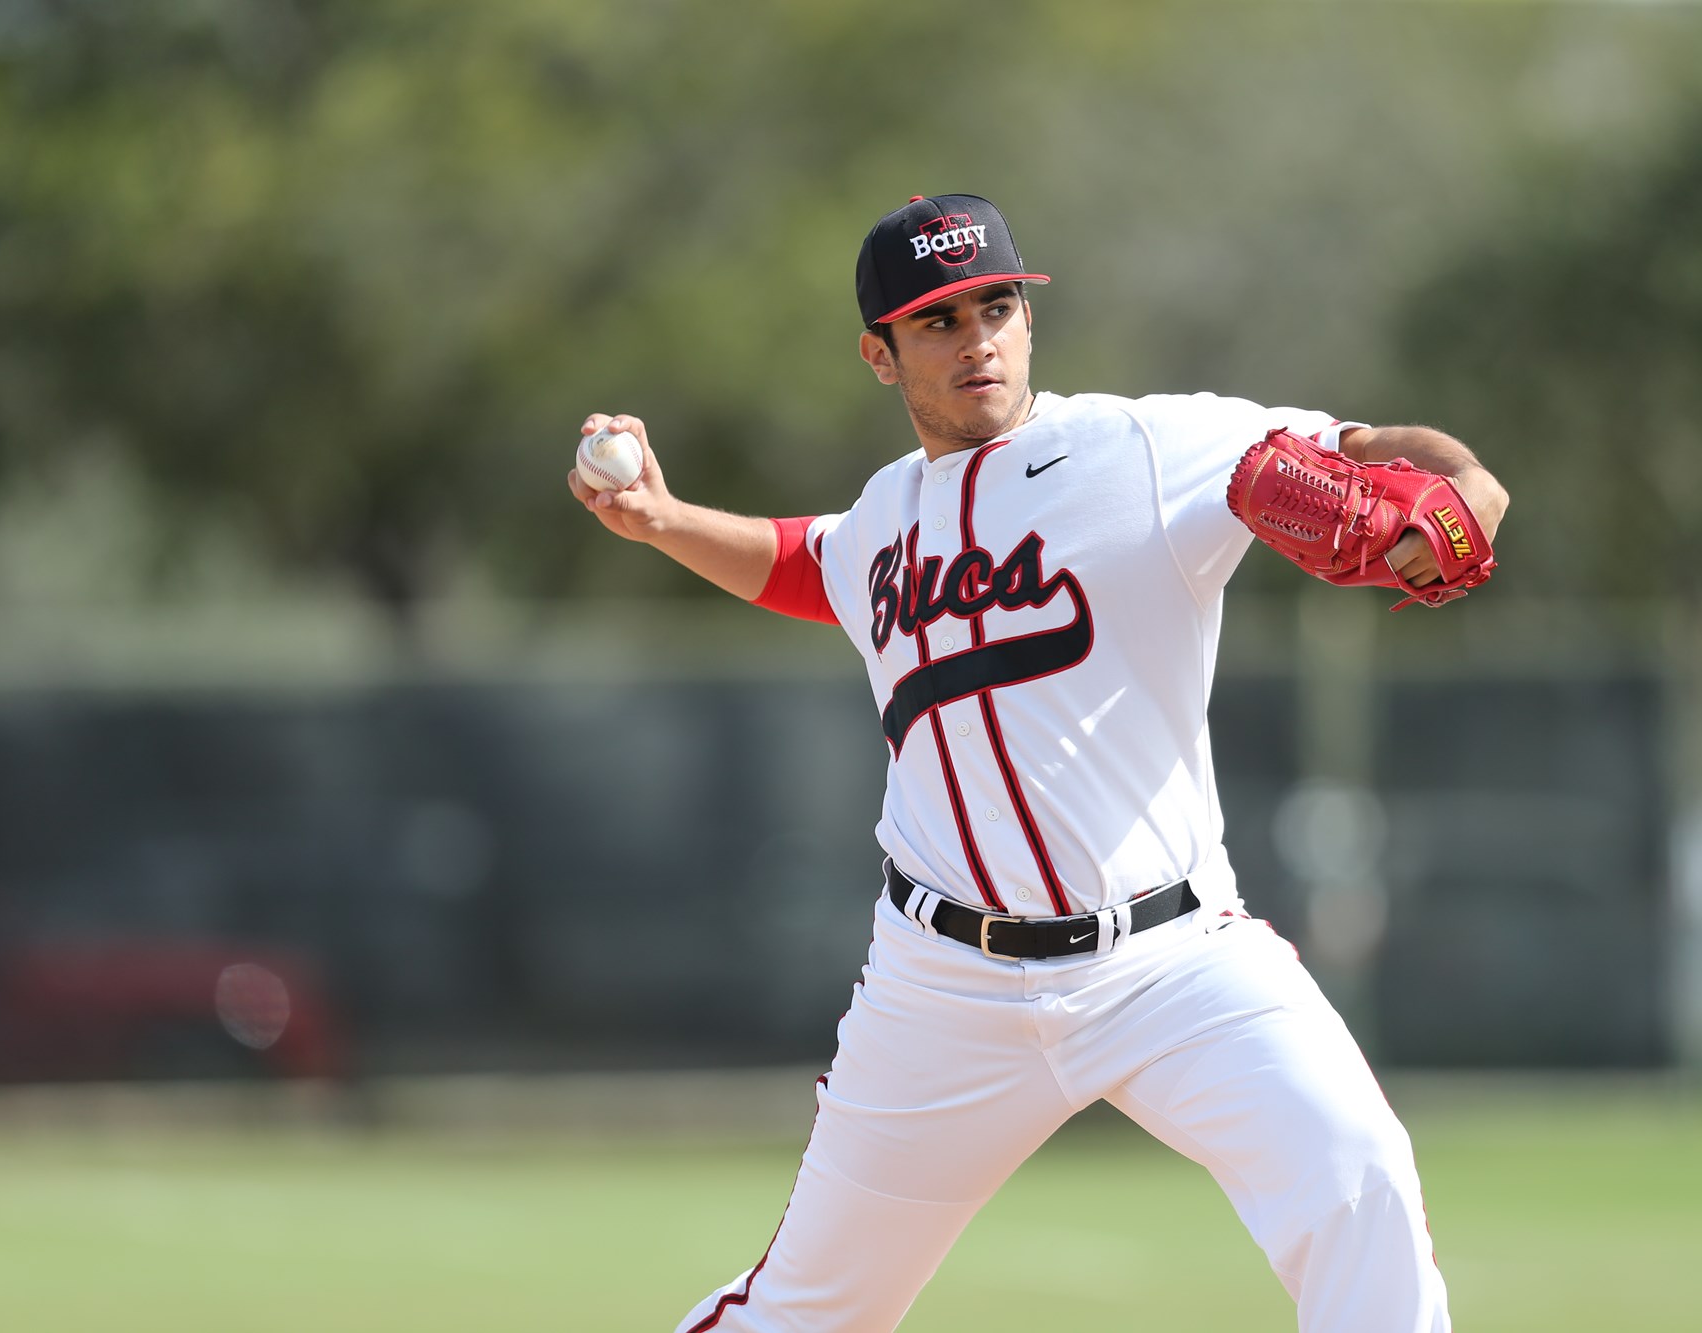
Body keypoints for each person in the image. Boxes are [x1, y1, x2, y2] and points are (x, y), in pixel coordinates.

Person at [569, 194, 1507, 1332]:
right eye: (938, 321)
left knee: (1357, 1173)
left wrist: (1467, 487)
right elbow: (806, 562)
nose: (977, 340)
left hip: (1172, 959)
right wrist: (661, 519)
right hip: (941, 985)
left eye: (997, 308)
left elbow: (1369, 448)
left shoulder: (1148, 448)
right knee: (808, 1310)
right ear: (879, 354)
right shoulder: (883, 516)